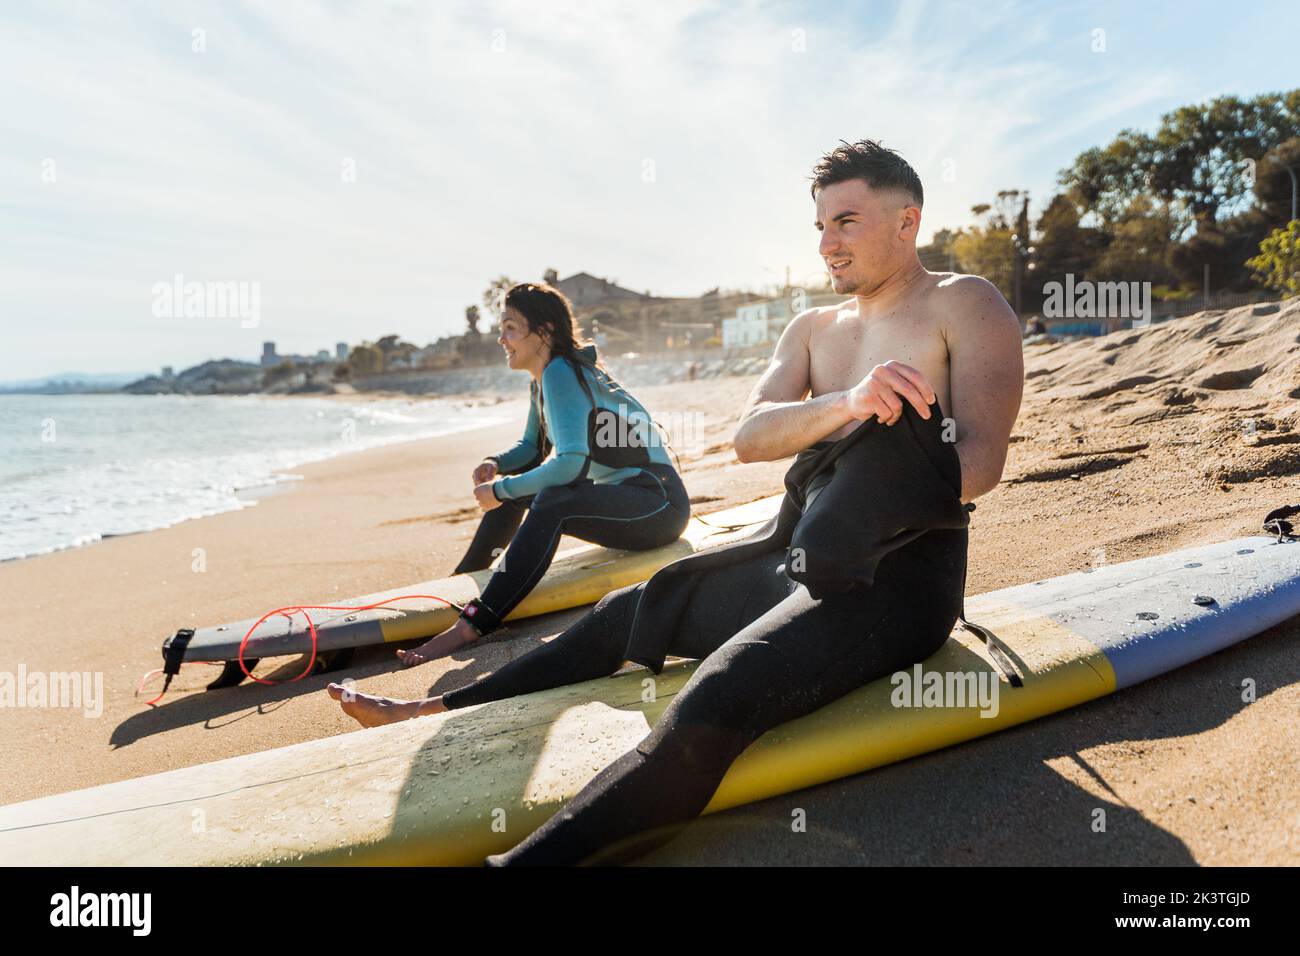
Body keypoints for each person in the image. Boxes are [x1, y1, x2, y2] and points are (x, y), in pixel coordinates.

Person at [329, 138, 1024, 864]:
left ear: (907, 220)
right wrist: (849, 403)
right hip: (796, 551)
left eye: (846, 222)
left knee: (721, 689)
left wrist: (895, 450)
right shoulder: (813, 330)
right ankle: (431, 706)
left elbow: (982, 465)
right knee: (629, 609)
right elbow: (751, 438)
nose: (827, 244)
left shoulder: (962, 304)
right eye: (819, 226)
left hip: (897, 579)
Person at [394, 282, 691, 666]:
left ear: (544, 332)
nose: (501, 338)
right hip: (635, 502)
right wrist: (497, 463)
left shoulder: (561, 373)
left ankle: (473, 624)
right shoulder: (545, 378)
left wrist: (501, 490)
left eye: (510, 328)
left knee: (551, 501)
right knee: (525, 483)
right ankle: (463, 580)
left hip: (657, 507)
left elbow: (571, 463)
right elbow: (532, 449)